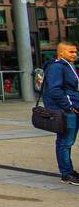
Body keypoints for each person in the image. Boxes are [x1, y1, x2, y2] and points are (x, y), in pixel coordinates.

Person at [41, 41, 79, 184]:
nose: (75, 54)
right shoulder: (57, 67)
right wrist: (69, 106)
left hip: (72, 109)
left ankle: (68, 171)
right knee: (65, 141)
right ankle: (67, 173)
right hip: (66, 111)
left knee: (68, 141)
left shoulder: (67, 65)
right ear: (61, 52)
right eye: (71, 52)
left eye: (75, 52)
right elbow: (55, 90)